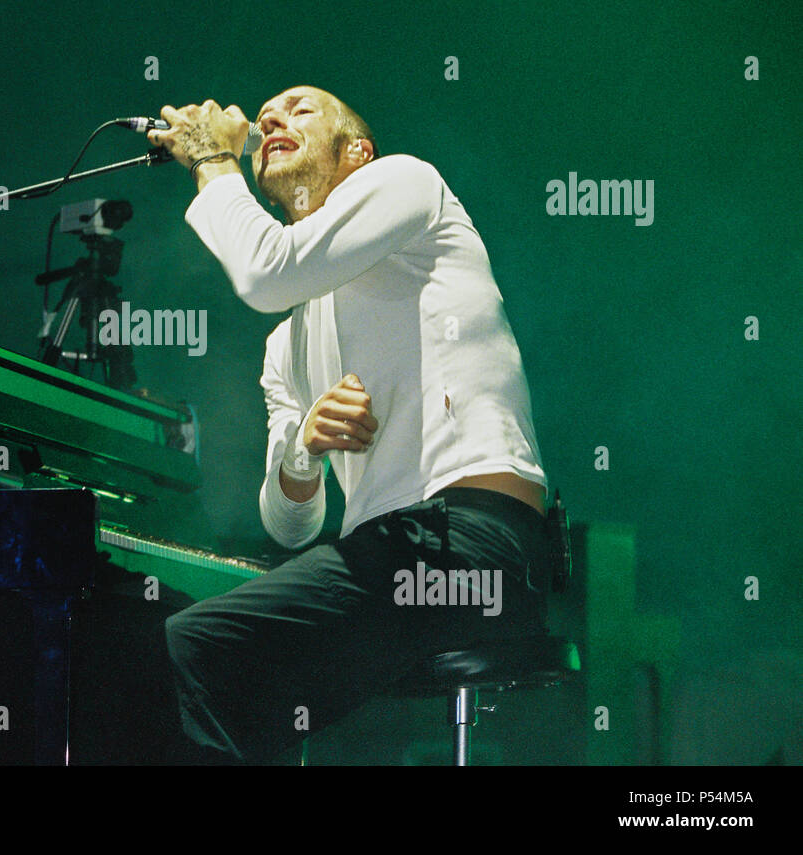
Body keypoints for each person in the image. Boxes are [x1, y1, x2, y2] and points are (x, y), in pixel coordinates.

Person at [148, 86, 552, 763]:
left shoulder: (407, 182)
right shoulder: (286, 346)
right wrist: (304, 451)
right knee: (247, 691)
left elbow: (265, 271)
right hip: (389, 560)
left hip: (474, 543)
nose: (274, 116)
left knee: (191, 646)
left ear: (356, 152)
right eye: (268, 115)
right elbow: (290, 525)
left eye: (301, 109)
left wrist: (215, 157)